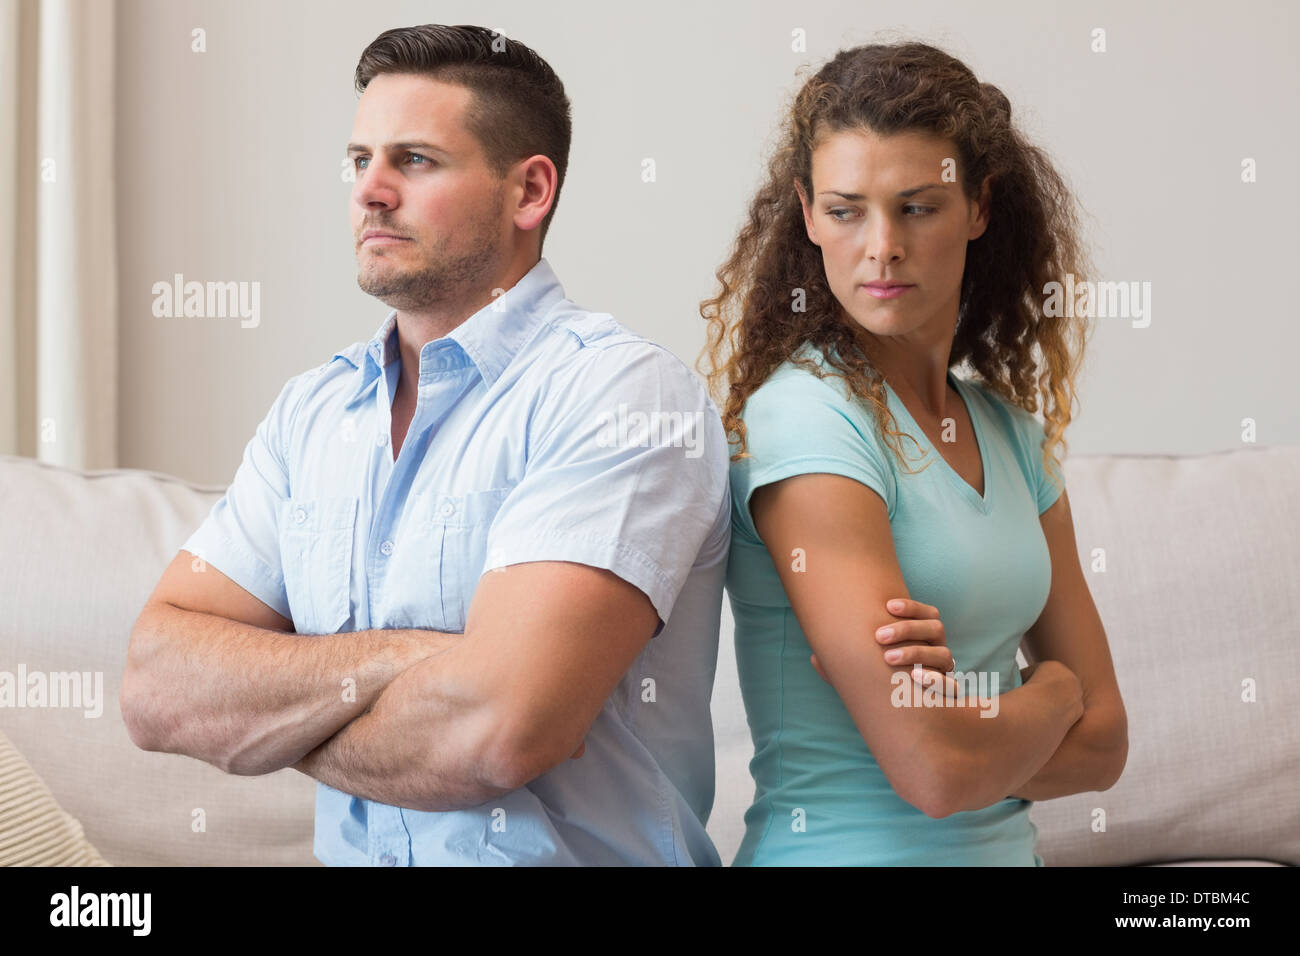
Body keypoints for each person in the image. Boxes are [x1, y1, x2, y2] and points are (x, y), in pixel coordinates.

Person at [122, 23, 731, 866]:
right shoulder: (313, 413)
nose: (371, 191)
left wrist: (265, 724)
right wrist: (419, 661)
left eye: (413, 161)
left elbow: (498, 734)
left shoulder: (621, 396)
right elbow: (156, 688)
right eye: (360, 160)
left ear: (529, 192)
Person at [699, 40, 1128, 865]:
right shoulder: (806, 422)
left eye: (918, 207)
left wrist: (976, 729)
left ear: (978, 208)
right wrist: (1053, 693)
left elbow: (1107, 747)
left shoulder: (1010, 436)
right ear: (807, 213)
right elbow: (933, 770)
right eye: (846, 208)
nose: (882, 245)